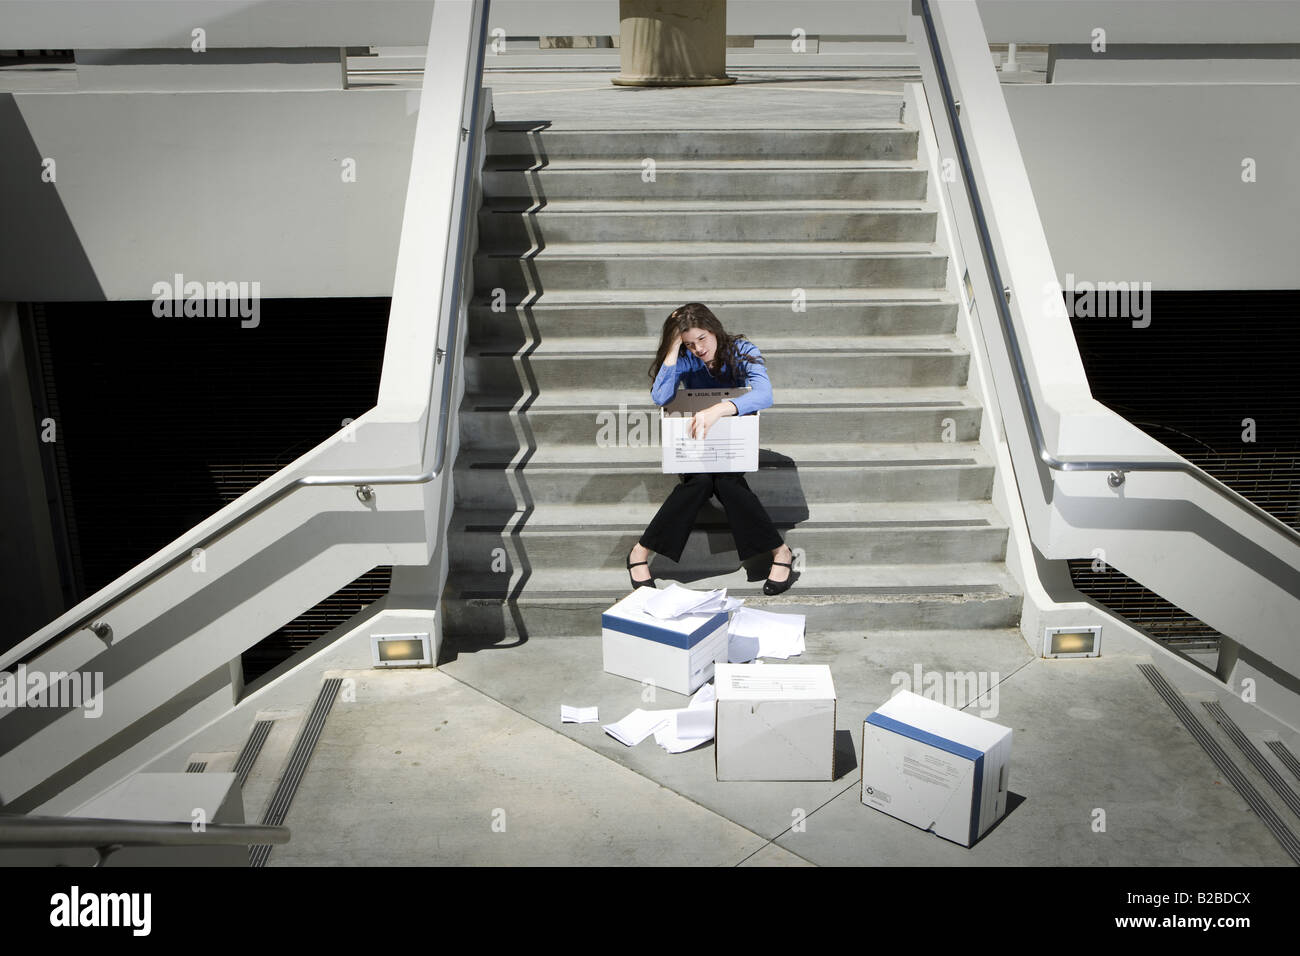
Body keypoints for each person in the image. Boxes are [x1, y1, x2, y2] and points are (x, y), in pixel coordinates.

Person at [626, 303, 795, 596]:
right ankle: (640, 552)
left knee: (728, 483)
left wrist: (721, 409)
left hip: (732, 443)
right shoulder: (686, 357)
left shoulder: (741, 350)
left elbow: (765, 394)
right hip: (695, 445)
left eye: (703, 338)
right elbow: (661, 397)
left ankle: (781, 553)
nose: (699, 348)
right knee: (702, 481)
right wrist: (672, 348)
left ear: (714, 329)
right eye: (690, 343)